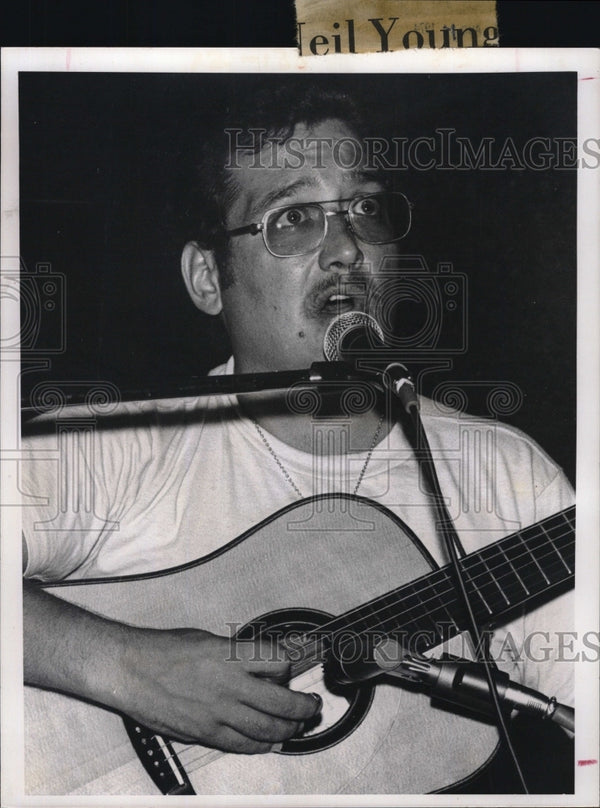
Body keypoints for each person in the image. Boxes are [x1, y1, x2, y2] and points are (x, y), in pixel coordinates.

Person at [21, 81, 574, 795]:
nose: (346, 248)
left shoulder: (505, 474)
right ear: (207, 279)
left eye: (364, 209)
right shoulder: (116, 442)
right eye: (293, 218)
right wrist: (128, 666)